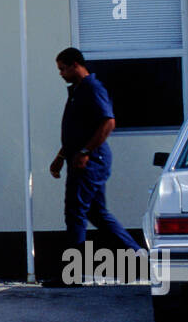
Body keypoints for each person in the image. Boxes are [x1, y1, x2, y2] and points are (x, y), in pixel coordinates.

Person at [48, 48, 141, 280]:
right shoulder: (77, 91)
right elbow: (76, 131)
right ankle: (140, 257)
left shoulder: (92, 88)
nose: (60, 74)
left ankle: (73, 274)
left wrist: (84, 152)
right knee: (97, 214)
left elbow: (108, 122)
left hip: (90, 161)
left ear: (75, 65)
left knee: (75, 212)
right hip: (81, 158)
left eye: (62, 68)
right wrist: (61, 157)